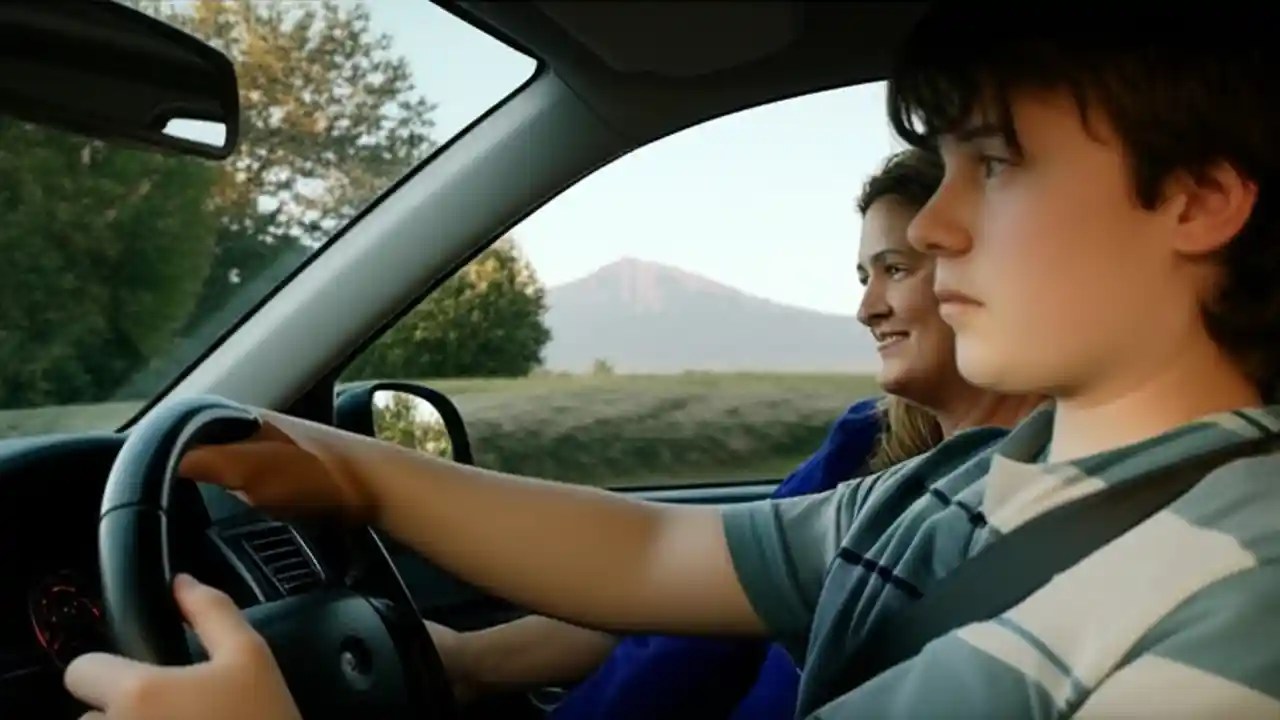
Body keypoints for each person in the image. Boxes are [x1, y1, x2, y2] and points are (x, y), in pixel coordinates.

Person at [64, 3, 1280, 718]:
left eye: (995, 166)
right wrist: (350, 470)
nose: (935, 228)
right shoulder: (950, 487)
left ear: (1192, 196)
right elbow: (655, 548)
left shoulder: (1246, 599)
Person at [427, 148, 1041, 720]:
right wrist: (473, 662)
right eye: (863, 278)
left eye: (896, 270)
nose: (867, 308)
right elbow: (679, 589)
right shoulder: (861, 447)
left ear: (988, 274)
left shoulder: (1049, 501)